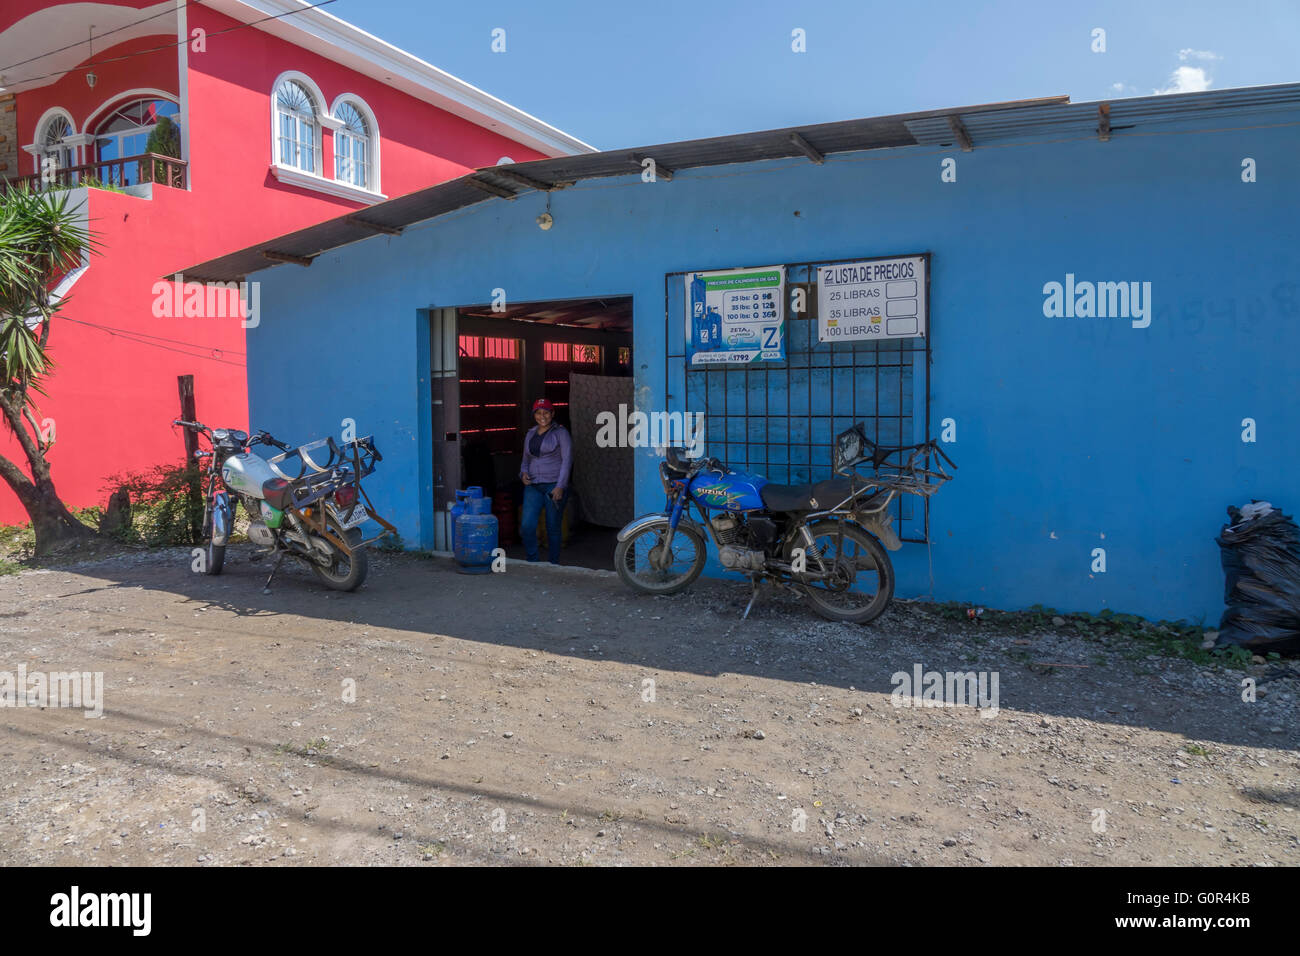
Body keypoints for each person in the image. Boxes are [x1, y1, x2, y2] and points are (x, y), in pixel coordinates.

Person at [519, 398, 572, 563]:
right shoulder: (530, 434)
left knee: (552, 527)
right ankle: (532, 559)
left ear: (552, 414)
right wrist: (523, 473)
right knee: (527, 526)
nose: (543, 416)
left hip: (553, 485)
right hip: (533, 485)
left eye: (546, 412)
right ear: (534, 415)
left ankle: (553, 564)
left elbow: (567, 460)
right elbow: (525, 459)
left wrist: (560, 486)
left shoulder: (561, 433)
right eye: (538, 413)